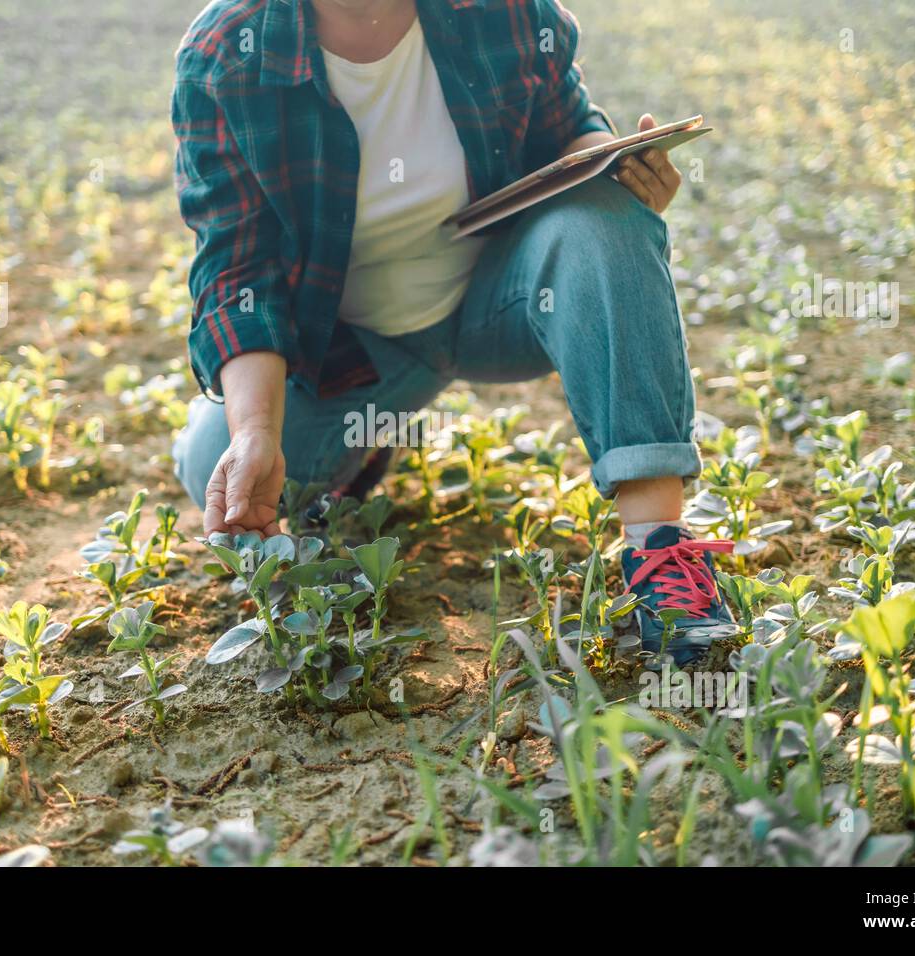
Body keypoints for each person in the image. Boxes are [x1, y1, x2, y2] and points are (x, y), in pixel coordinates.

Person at [170, 0, 733, 665]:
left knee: (604, 218)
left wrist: (611, 169)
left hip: (497, 299)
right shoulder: (226, 56)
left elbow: (567, 122)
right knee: (218, 464)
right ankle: (366, 443)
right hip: (352, 348)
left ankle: (662, 549)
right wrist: (256, 430)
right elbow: (239, 269)